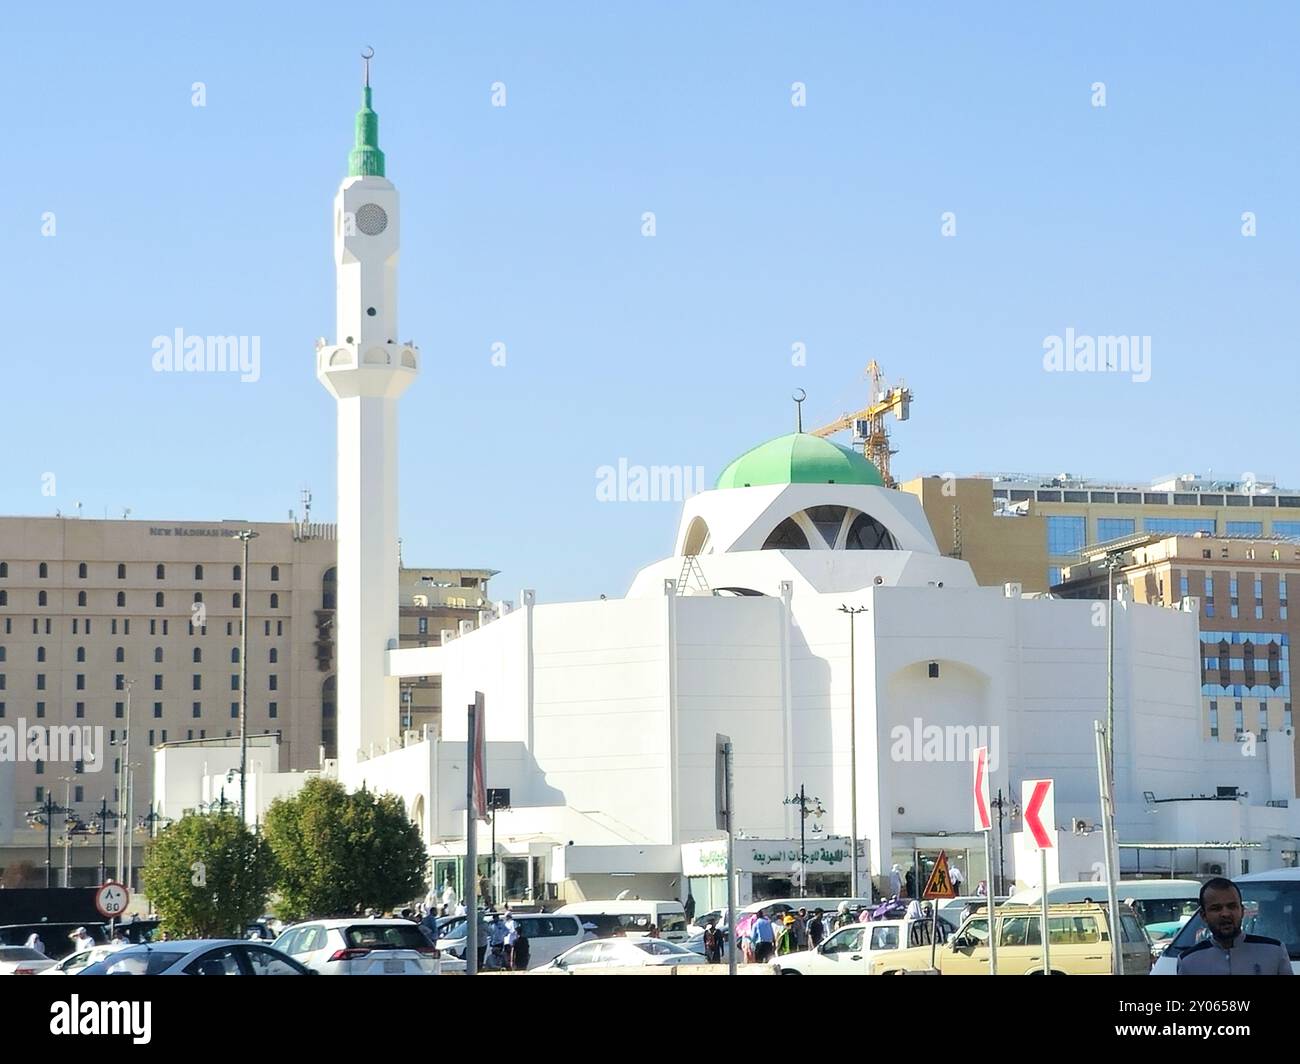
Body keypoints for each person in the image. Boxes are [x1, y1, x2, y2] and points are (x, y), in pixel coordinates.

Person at [1177, 878, 1292, 975]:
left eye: (1232, 906)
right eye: (1216, 908)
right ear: (1203, 915)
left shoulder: (1273, 952)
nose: (1225, 914)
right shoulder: (1189, 961)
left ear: (1242, 911)